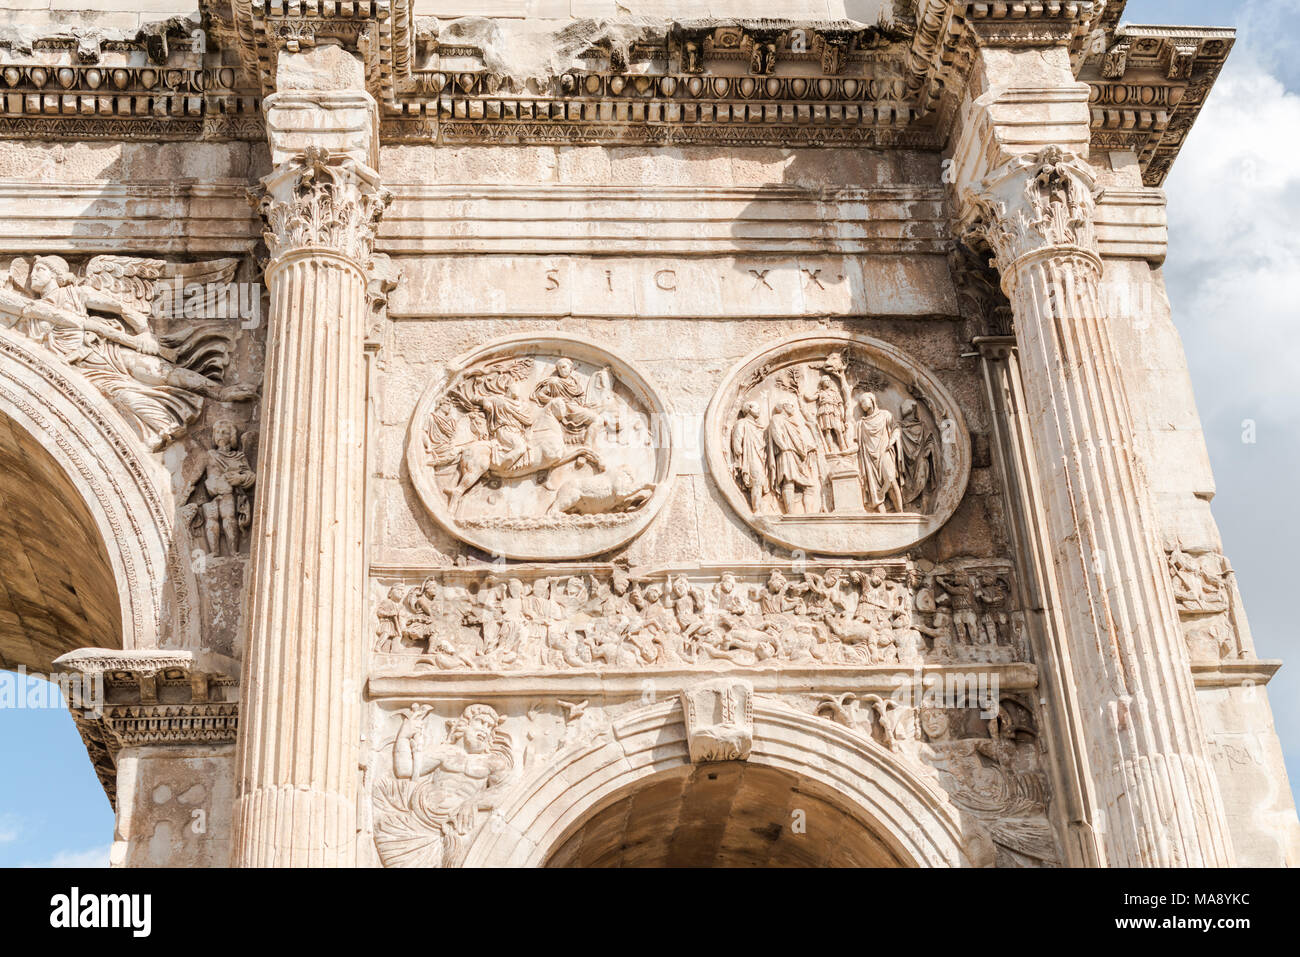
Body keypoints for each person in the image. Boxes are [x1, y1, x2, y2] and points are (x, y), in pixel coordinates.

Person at [765, 399, 819, 514]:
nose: (793, 408)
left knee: (809, 485)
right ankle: (790, 514)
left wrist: (806, 449)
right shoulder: (777, 418)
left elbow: (797, 440)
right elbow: (776, 433)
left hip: (796, 454)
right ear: (784, 406)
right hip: (786, 453)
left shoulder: (790, 422)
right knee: (788, 481)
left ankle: (809, 513)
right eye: (791, 405)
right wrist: (785, 447)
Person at [855, 392, 903, 512]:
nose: (862, 405)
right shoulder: (861, 423)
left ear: (872, 400)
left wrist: (891, 441)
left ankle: (901, 513)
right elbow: (857, 443)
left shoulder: (885, 415)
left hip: (884, 452)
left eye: (864, 401)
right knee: (874, 490)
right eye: (860, 403)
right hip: (869, 459)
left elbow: (896, 428)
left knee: (891, 479)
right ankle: (883, 517)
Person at [731, 401, 768, 511]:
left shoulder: (758, 426)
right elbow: (737, 439)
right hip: (750, 455)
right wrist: (738, 456)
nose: (759, 411)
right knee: (756, 480)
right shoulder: (742, 423)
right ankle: (756, 510)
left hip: (760, 455)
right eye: (757, 408)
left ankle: (759, 508)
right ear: (749, 409)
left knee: (760, 480)